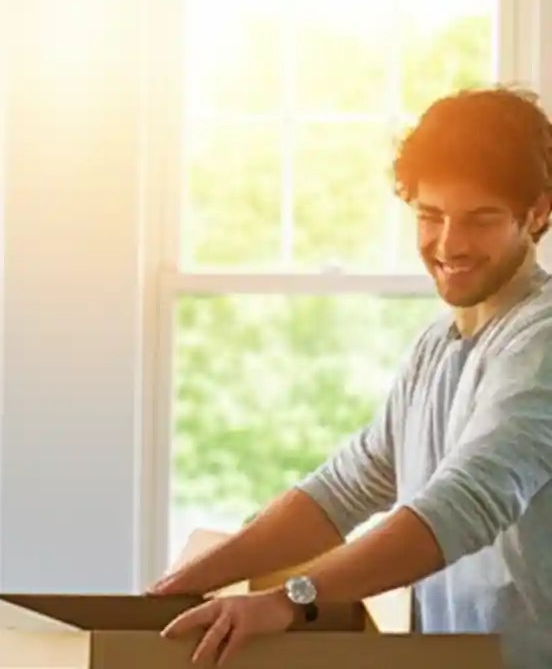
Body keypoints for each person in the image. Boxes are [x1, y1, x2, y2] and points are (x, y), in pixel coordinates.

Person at [150, 86, 552, 669]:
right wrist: (182, 584)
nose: (449, 244)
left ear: (538, 211)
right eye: (430, 216)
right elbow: (347, 487)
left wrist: (292, 600)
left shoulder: (540, 341)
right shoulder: (437, 348)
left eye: (480, 219)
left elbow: (466, 501)